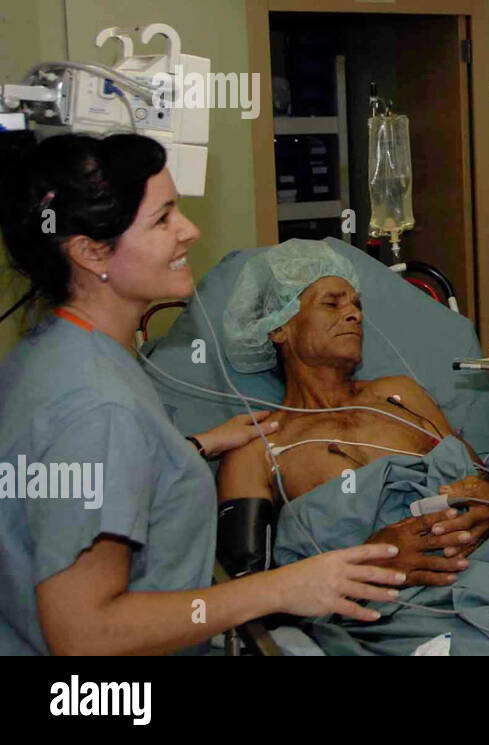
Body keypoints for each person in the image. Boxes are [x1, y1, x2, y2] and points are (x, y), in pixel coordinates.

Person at [0, 133, 410, 655]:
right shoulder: (101, 407)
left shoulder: (49, 355)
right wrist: (281, 587)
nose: (189, 231)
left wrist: (185, 451)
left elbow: (73, 480)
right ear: (89, 251)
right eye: (163, 218)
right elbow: (84, 635)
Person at [217, 239, 489, 582]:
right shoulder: (257, 448)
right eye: (331, 303)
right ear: (278, 327)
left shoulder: (400, 394)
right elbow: (247, 591)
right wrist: (369, 566)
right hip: (391, 615)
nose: (355, 313)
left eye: (356, 304)